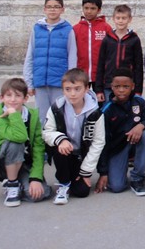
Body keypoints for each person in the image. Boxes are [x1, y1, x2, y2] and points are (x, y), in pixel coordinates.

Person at [42, 68, 105, 205]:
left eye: (77, 89)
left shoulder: (95, 112)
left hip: (81, 155)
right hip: (64, 151)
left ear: (87, 88)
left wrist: (86, 171)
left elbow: (98, 142)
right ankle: (63, 184)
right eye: (68, 89)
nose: (72, 94)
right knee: (61, 148)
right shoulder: (56, 108)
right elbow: (47, 131)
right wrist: (60, 139)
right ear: (63, 90)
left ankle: (73, 176)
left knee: (81, 191)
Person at [0, 77, 51, 207]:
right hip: (4, 164)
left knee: (40, 194)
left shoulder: (32, 116)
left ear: (25, 98)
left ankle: (21, 183)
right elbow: (19, 137)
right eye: (8, 95)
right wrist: (13, 114)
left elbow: (38, 147)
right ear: (1, 97)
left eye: (18, 95)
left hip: (25, 163)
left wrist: (36, 178)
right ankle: (12, 184)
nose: (13, 99)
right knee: (15, 143)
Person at [95, 68, 145, 197]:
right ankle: (119, 168)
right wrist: (103, 173)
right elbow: (102, 141)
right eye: (117, 86)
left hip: (136, 142)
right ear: (111, 87)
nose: (121, 90)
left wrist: (141, 125)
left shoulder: (139, 102)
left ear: (132, 86)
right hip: (117, 148)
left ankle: (137, 178)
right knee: (116, 187)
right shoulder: (106, 110)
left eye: (126, 86)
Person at [23, 0, 77, 125]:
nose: (53, 10)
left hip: (59, 82)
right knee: (41, 118)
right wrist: (29, 81)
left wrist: (70, 82)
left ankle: (57, 144)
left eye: (56, 7)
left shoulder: (68, 30)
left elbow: (72, 57)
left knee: (59, 116)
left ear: (62, 9)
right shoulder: (37, 29)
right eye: (49, 7)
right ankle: (42, 145)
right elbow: (30, 55)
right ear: (44, 9)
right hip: (40, 81)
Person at [94, 4, 143, 102]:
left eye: (124, 18)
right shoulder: (107, 39)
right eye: (118, 18)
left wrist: (138, 90)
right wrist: (99, 89)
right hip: (109, 84)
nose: (121, 21)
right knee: (109, 112)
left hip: (127, 84)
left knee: (127, 113)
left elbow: (138, 66)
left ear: (129, 19)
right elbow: (100, 64)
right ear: (113, 19)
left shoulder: (134, 39)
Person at [73, 0, 113, 89]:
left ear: (98, 10)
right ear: (82, 8)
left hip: (100, 75)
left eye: (92, 8)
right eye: (86, 8)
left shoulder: (106, 28)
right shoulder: (75, 29)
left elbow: (111, 50)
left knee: (100, 102)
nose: (89, 11)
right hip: (81, 74)